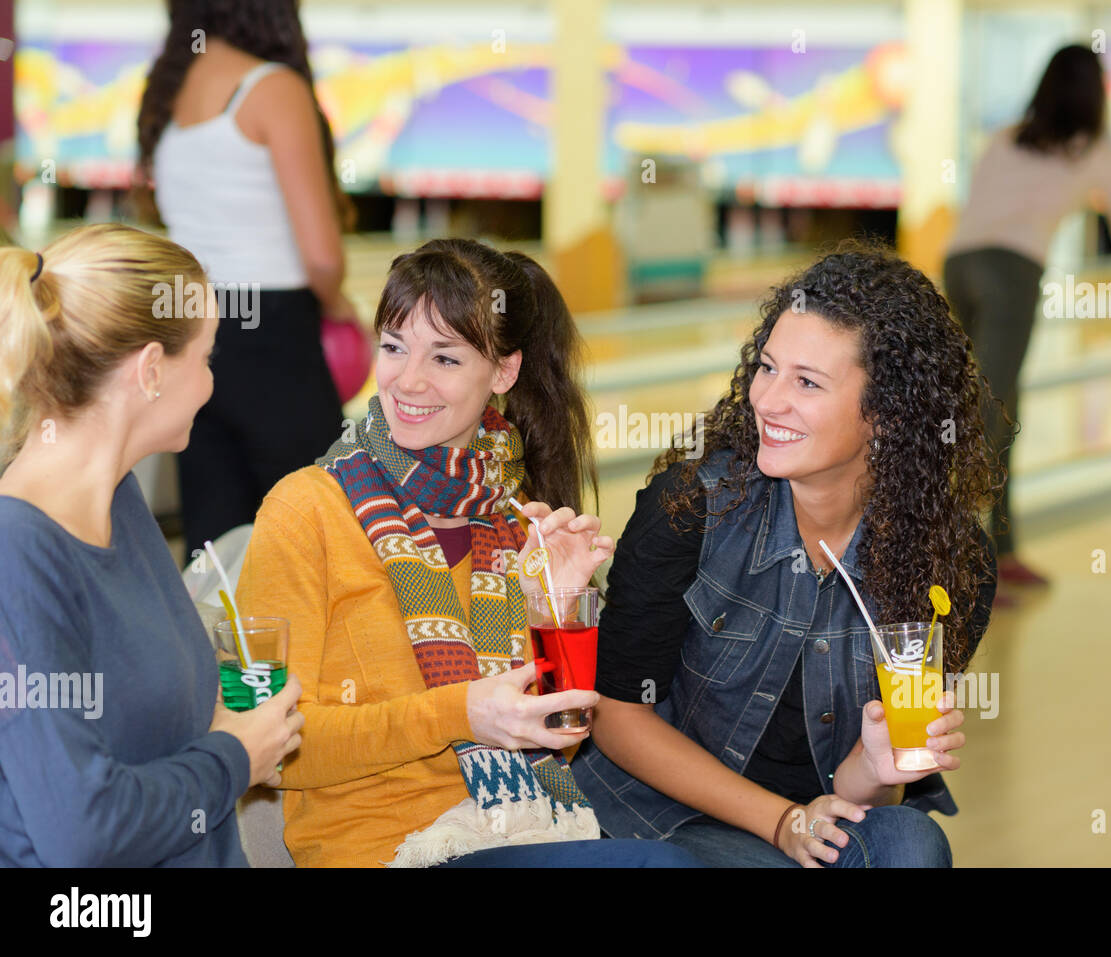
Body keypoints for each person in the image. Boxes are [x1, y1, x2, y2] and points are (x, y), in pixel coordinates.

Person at [235, 238, 699, 867]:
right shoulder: (306, 509)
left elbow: (558, 740)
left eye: (445, 359)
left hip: (520, 829)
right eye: (394, 347)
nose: (408, 380)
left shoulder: (516, 519)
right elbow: (265, 750)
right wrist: (459, 714)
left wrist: (556, 614)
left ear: (504, 373)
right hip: (384, 851)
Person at [571, 241, 1001, 867]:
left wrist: (879, 766)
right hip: (670, 818)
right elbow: (613, 714)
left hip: (820, 821)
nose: (767, 400)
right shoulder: (691, 508)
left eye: (807, 382)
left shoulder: (950, 564)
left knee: (912, 841)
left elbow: (863, 794)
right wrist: (780, 822)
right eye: (768, 367)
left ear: (886, 413)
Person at [0, 224, 304, 866]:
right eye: (205, 358)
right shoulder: (18, 554)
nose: (211, 385)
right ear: (150, 372)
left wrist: (247, 727)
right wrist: (235, 757)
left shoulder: (118, 500)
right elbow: (82, 832)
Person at [944, 44, 1111, 588]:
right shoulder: (1091, 148)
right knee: (989, 417)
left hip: (959, 266)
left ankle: (1001, 556)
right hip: (1011, 274)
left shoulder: (1006, 137)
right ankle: (960, 570)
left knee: (999, 414)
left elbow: (974, 207)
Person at [136, 0, 362, 558]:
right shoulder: (273, 87)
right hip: (274, 336)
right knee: (320, 536)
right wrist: (339, 309)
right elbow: (324, 259)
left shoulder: (171, 90)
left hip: (190, 329)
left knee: (216, 549)